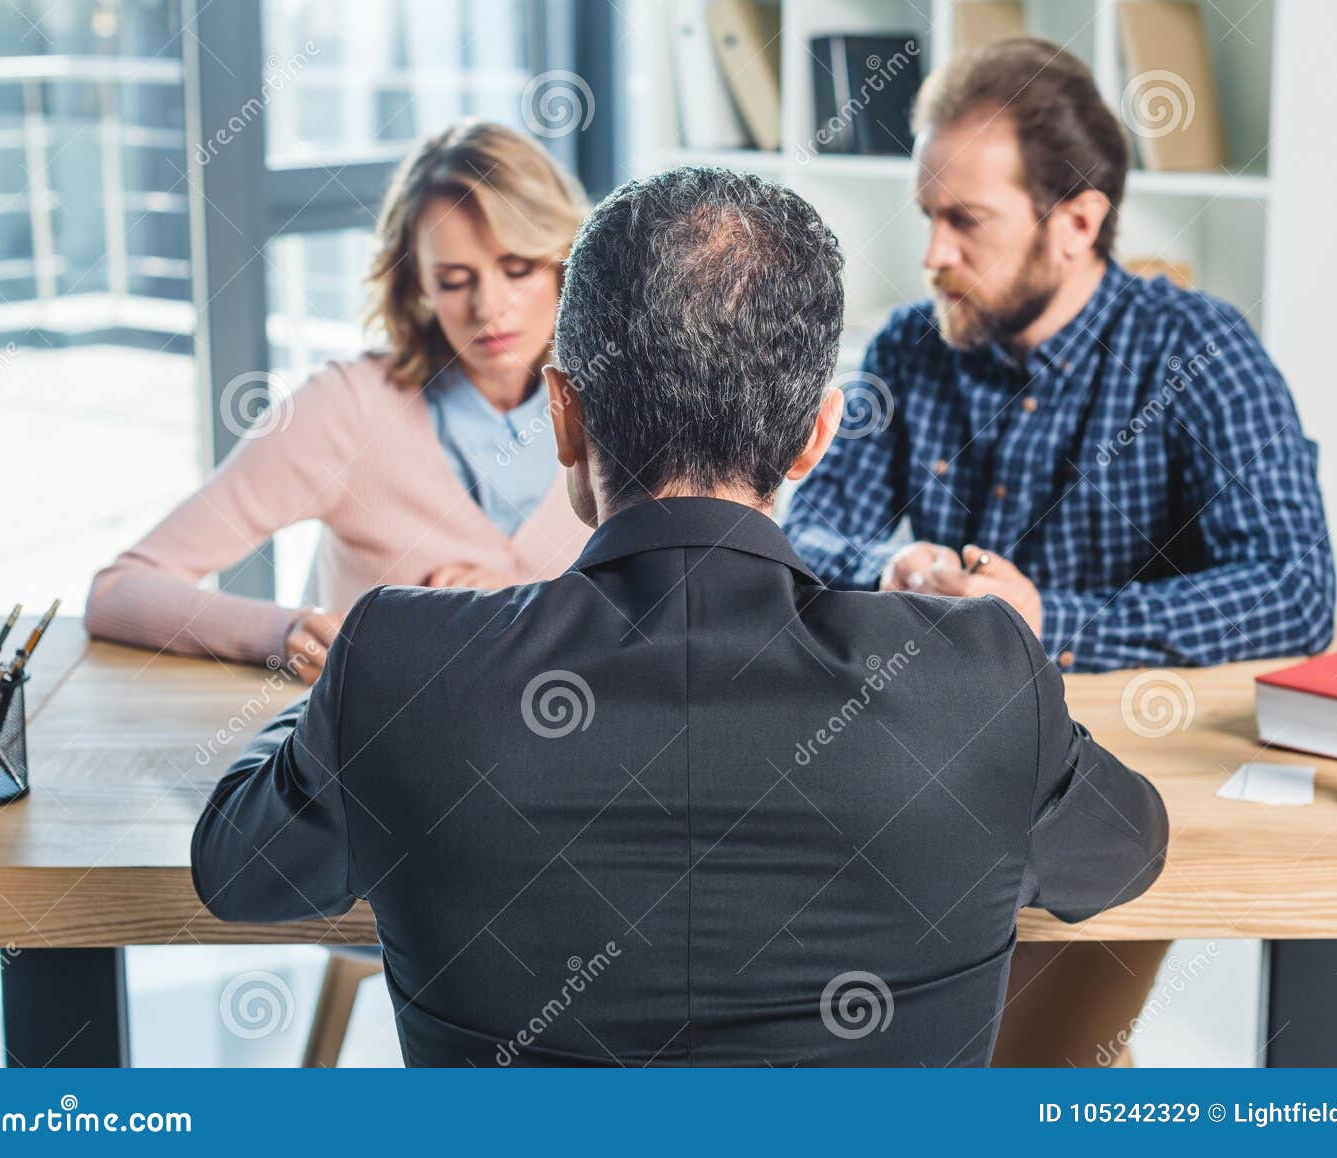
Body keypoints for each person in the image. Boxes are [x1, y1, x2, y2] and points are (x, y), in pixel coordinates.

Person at [190, 166, 1168, 1067]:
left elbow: (239, 871)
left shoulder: (398, 662)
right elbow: (1124, 851)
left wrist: (345, 687)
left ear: (564, 417)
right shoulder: (979, 675)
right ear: (814, 437)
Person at [780, 39, 1335, 1066]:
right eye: (927, 217)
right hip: (911, 788)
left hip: (1102, 804)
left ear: (1077, 221)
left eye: (965, 222)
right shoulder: (908, 345)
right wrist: (890, 574)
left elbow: (1293, 588)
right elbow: (804, 537)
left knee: (1023, 1072)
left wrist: (1050, 623)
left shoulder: (1198, 350)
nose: (933, 254)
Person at [84, 120, 592, 683]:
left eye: (517, 269)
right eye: (452, 280)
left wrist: (506, 611)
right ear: (418, 286)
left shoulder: (617, 404)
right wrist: (283, 631)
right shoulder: (346, 409)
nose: (488, 306)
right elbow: (118, 592)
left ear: (565, 260)